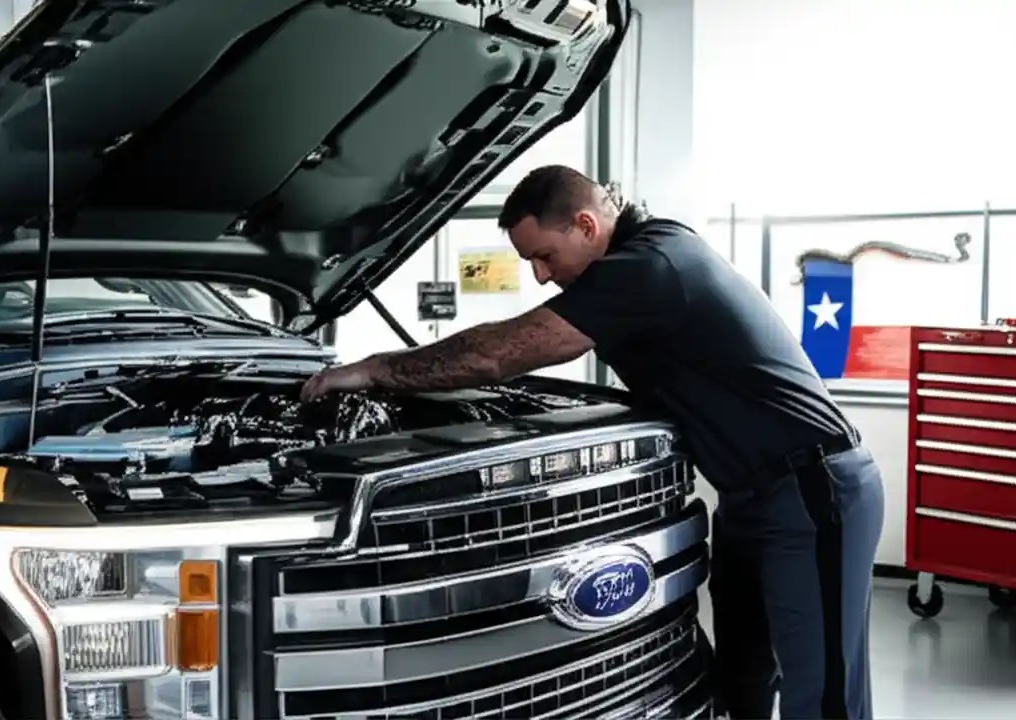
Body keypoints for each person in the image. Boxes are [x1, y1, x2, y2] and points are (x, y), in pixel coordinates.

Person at [300, 165, 884, 720]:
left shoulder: (651, 264)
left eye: (544, 257)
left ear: (585, 225)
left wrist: (377, 369)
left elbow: (500, 352)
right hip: (751, 496)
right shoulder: (648, 258)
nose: (541, 275)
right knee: (743, 677)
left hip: (812, 487)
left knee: (825, 694)